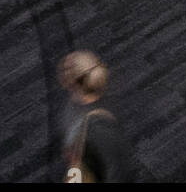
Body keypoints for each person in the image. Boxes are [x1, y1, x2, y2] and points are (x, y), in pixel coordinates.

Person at [56, 50, 132, 183]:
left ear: (74, 81)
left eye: (67, 68)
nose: (62, 68)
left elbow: (116, 170)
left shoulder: (99, 127)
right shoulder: (75, 102)